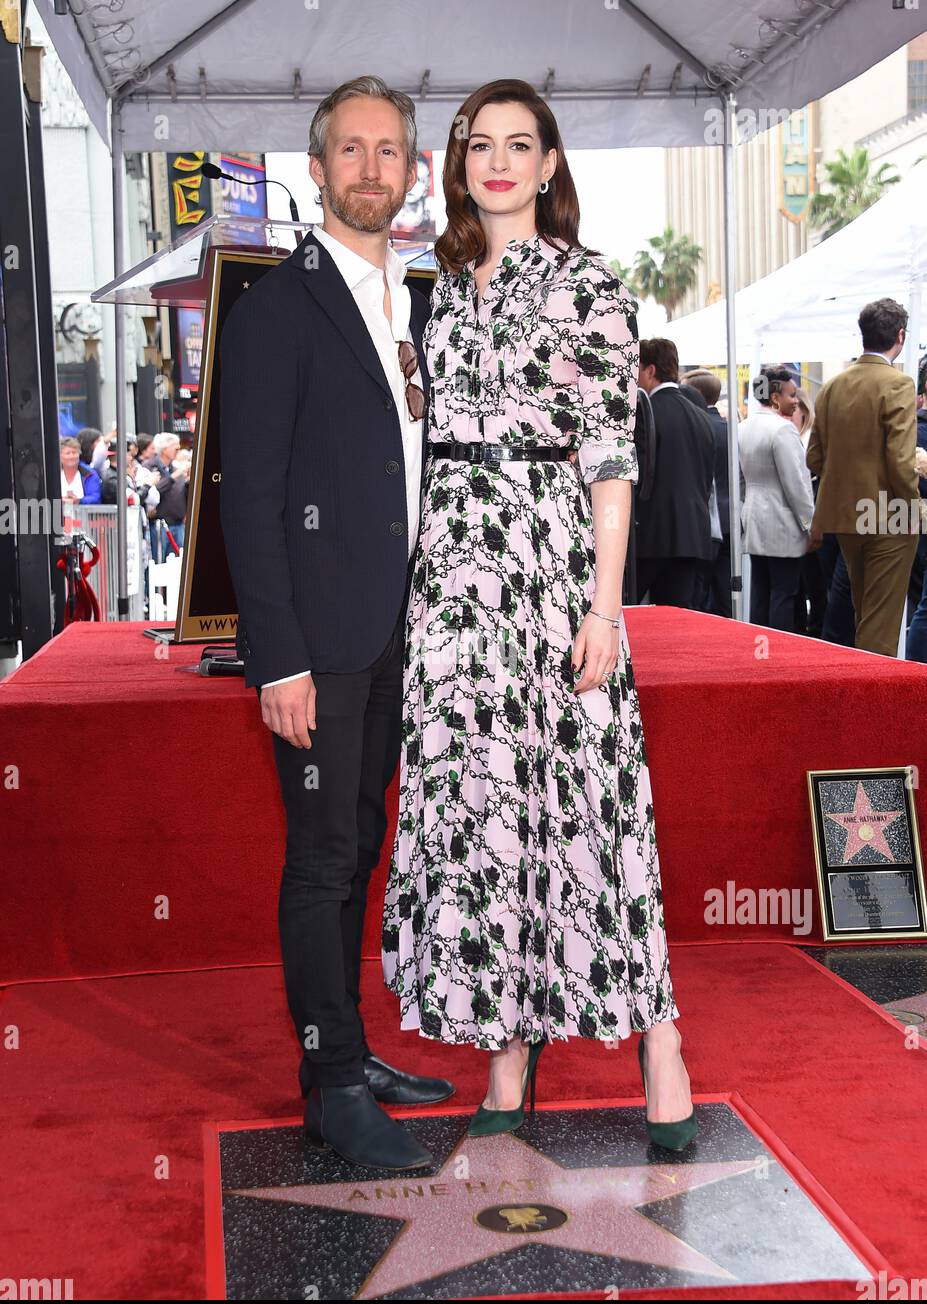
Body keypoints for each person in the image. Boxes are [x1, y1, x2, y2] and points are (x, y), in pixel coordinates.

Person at [381, 77, 697, 1152]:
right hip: (456, 575)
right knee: (480, 807)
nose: (500, 161)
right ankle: (508, 1045)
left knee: (593, 802)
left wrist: (606, 605)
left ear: (551, 163)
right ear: (460, 162)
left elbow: (612, 461)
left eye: (523, 144)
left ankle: (660, 1039)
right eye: (482, 143)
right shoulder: (439, 286)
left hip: (554, 567)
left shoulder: (591, 287)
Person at [219, 74, 454, 1173]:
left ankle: (350, 1053)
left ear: (411, 172)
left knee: (360, 847)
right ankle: (329, 1080)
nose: (371, 168)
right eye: (350, 151)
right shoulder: (276, 308)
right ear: (317, 171)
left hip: (404, 635)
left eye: (389, 151)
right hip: (321, 643)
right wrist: (281, 658)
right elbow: (246, 496)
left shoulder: (417, 302)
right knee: (321, 860)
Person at [807, 299, 919, 657]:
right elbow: (901, 461)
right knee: (880, 624)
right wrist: (915, 509)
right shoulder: (898, 383)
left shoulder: (833, 386)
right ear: (900, 335)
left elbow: (814, 457)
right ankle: (875, 705)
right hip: (890, 516)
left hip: (845, 516)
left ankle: (861, 694)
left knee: (864, 614)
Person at [635, 339, 715, 609]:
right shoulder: (702, 415)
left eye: (638, 367)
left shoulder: (645, 412)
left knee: (627, 614)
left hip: (650, 533)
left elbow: (641, 474)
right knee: (678, 620)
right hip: (693, 532)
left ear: (650, 370)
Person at [738, 366, 817, 632]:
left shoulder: (743, 427)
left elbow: (739, 479)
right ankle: (777, 653)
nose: (796, 400)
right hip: (782, 522)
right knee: (784, 593)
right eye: (791, 394)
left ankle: (761, 650)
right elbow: (797, 483)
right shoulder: (783, 430)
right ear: (775, 397)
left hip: (753, 518)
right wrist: (811, 524)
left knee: (761, 591)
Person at [681, 370, 732, 618]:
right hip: (730, 518)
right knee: (725, 593)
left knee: (697, 593)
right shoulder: (728, 429)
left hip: (703, 521)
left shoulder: (694, 429)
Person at [148, 432, 188, 560]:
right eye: (174, 446)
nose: (178, 449)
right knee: (160, 562)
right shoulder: (150, 466)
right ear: (164, 449)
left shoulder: (175, 467)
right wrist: (174, 476)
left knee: (178, 562)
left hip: (178, 523)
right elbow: (154, 490)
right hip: (160, 525)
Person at [59, 435, 101, 506]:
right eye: (68, 453)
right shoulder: (52, 474)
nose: (72, 456)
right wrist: (60, 500)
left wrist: (79, 501)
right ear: (60, 456)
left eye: (74, 452)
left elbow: (96, 497)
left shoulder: (90, 474)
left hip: (83, 515)